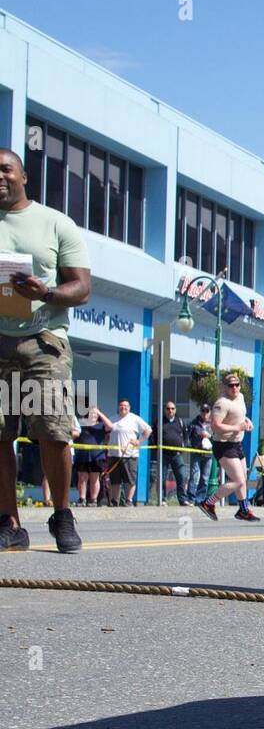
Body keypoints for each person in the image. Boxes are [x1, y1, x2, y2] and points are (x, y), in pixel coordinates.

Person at [0, 147, 91, 553]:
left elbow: (82, 288)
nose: (0, 177)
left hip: (43, 339)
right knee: (0, 435)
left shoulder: (55, 223)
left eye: (6, 169)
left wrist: (47, 292)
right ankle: (10, 523)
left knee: (52, 432)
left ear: (23, 176)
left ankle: (62, 514)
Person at [195, 373, 258, 522]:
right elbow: (215, 426)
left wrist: (247, 422)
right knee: (238, 481)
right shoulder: (222, 403)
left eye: (237, 385)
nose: (234, 388)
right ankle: (208, 503)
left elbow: (239, 415)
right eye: (230, 385)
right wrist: (237, 427)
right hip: (223, 445)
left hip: (236, 443)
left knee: (243, 479)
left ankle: (243, 510)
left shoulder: (240, 397)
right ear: (225, 387)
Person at [105, 399, 151, 505]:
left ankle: (128, 500)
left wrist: (139, 441)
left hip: (130, 454)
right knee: (115, 480)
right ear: (118, 407)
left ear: (129, 408)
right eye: (121, 405)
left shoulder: (135, 419)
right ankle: (114, 500)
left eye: (125, 406)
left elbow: (148, 430)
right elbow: (107, 432)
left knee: (130, 479)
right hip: (114, 454)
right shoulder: (112, 419)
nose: (123, 407)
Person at [155, 400, 191, 504]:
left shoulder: (180, 421)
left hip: (177, 455)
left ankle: (183, 500)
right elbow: (154, 436)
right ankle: (162, 499)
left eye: (172, 408)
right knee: (162, 478)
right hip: (163, 454)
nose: (170, 410)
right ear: (165, 410)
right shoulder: (159, 421)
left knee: (181, 477)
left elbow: (186, 436)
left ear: (175, 410)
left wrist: (183, 447)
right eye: (168, 408)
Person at [75, 405, 109, 506]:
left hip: (97, 456)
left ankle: (93, 500)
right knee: (82, 478)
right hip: (82, 455)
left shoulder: (101, 425)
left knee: (94, 479)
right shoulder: (81, 424)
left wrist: (100, 413)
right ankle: (82, 499)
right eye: (90, 413)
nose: (93, 415)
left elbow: (111, 426)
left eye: (95, 414)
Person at [186, 404, 213, 503]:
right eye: (203, 411)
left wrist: (209, 436)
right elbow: (187, 438)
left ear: (210, 412)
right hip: (196, 453)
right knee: (194, 476)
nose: (205, 413)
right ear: (200, 411)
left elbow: (216, 438)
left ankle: (200, 499)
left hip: (208, 454)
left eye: (207, 411)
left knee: (205, 478)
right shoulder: (193, 423)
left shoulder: (213, 424)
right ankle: (191, 498)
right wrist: (196, 441)